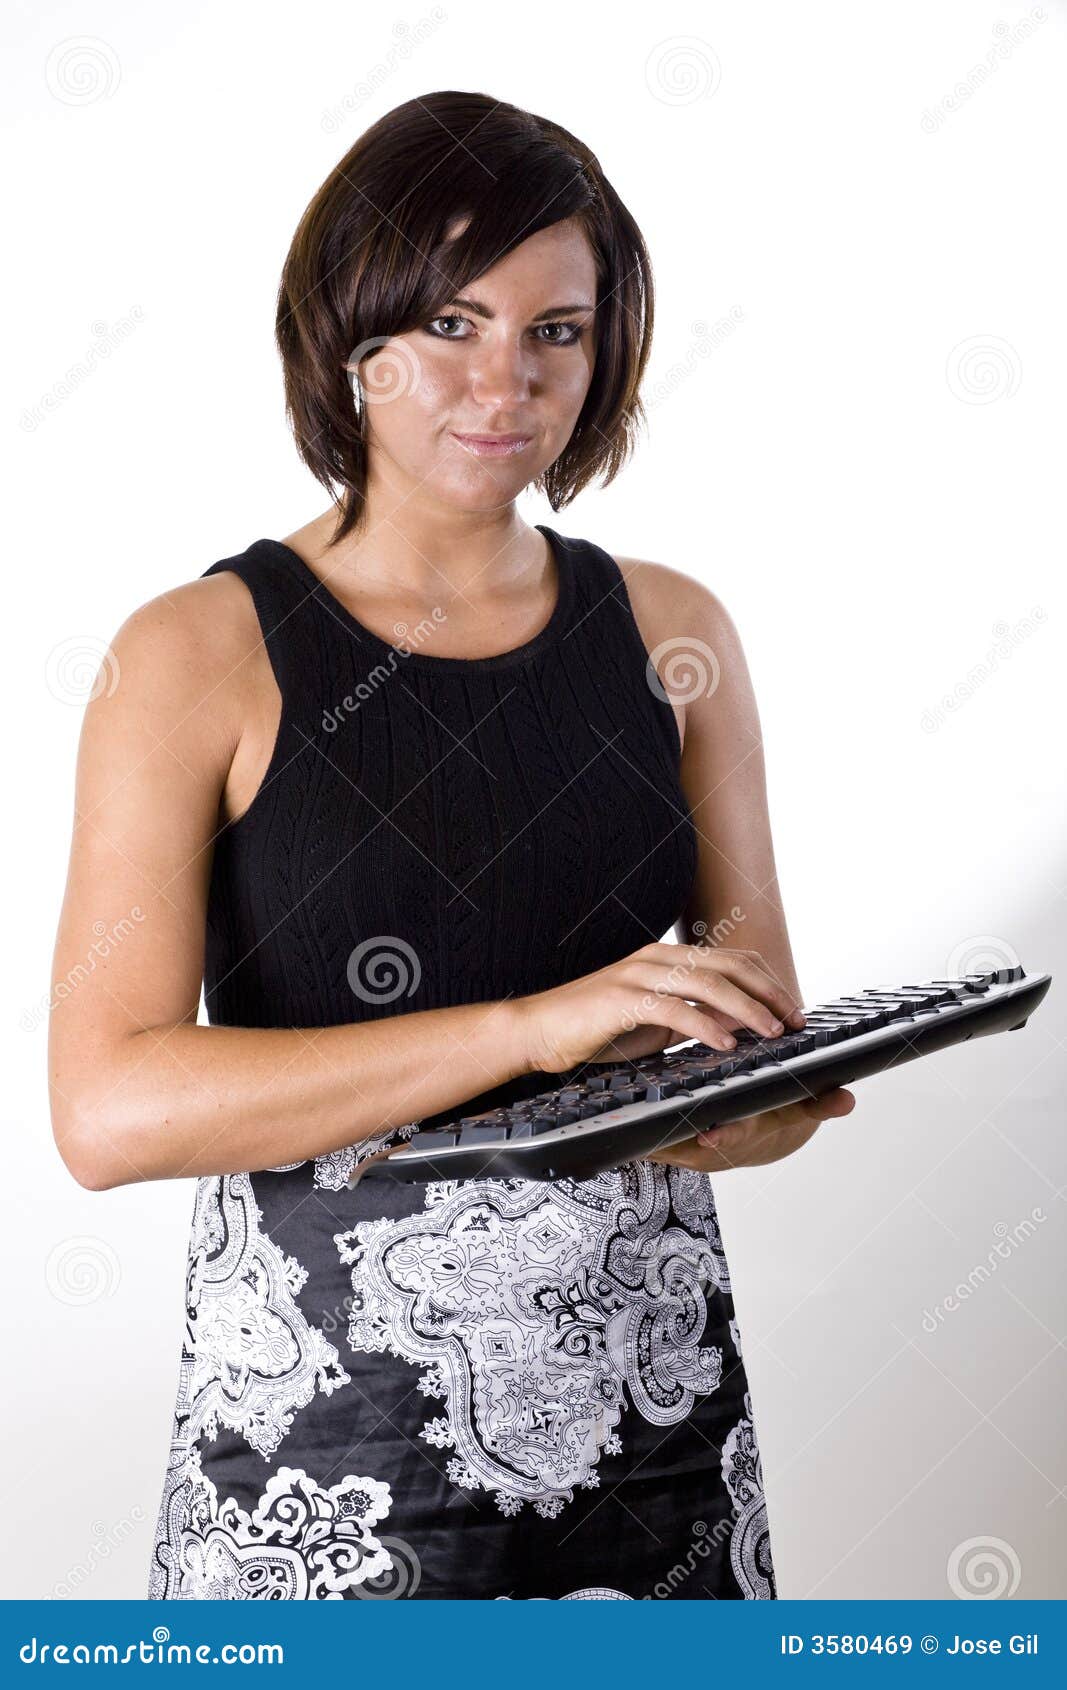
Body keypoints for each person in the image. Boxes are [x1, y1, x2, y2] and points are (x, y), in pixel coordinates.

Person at [48, 89, 854, 1601]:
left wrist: (765, 1100)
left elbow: (753, 1043)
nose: (506, 381)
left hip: (655, 1443)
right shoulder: (197, 652)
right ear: (347, 340)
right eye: (450, 324)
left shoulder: (674, 634)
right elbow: (107, 1104)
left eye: (558, 331)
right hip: (319, 1472)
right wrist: (529, 1030)